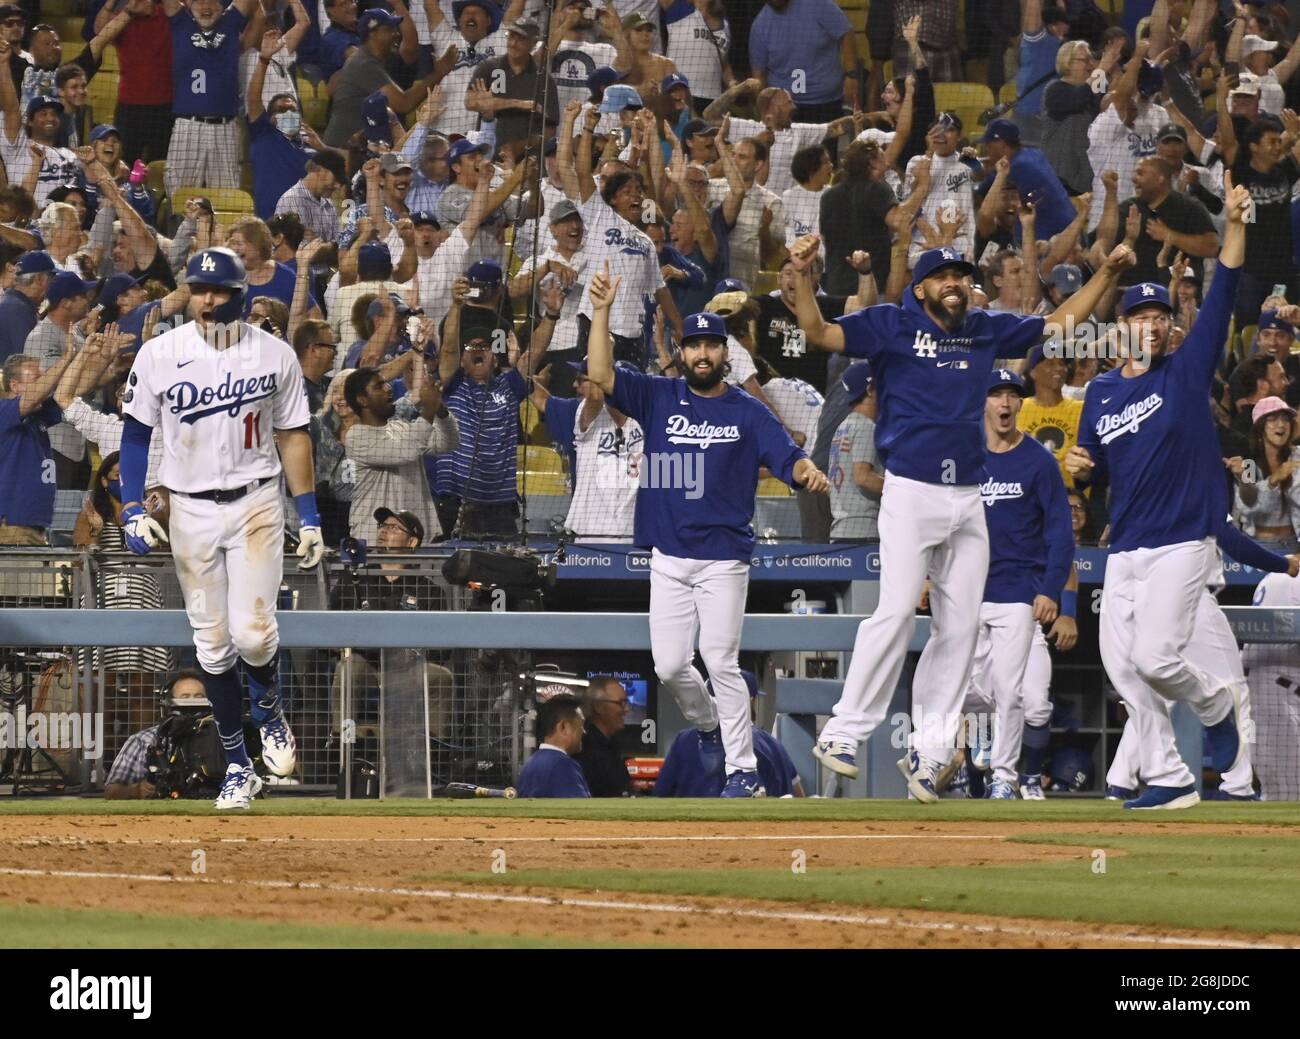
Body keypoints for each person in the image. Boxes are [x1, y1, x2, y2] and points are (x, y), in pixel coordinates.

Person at [788, 235, 1126, 799]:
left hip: (968, 495)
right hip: (912, 492)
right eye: (942, 275)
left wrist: (1104, 272)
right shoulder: (890, 324)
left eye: (961, 276)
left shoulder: (984, 327)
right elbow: (820, 333)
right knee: (895, 612)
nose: (954, 283)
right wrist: (799, 276)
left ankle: (931, 750)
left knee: (960, 630)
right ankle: (844, 732)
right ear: (920, 287)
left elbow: (1060, 324)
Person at [586, 262, 829, 796]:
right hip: (670, 556)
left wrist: (805, 470)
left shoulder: (746, 410)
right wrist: (600, 312)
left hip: (723, 555)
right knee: (670, 665)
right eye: (693, 345)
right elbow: (601, 377)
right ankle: (708, 725)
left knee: (721, 660)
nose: (701, 354)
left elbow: (787, 456)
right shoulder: (659, 395)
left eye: (711, 346)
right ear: (683, 350)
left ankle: (743, 773)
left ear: (724, 353)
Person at [1064, 175, 1253, 811]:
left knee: (1156, 657)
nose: (1150, 323)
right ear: (1119, 328)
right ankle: (1169, 777)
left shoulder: (1187, 367)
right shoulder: (1101, 393)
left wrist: (1234, 224)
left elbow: (1224, 289)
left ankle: (1214, 703)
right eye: (1139, 315)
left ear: (1172, 329)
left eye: (1160, 316)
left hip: (1182, 541)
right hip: (1125, 546)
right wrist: (1078, 465)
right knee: (1125, 672)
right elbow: (1093, 470)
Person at [119, 246, 325, 811]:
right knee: (211, 647)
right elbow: (135, 435)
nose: (207, 301)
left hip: (256, 500)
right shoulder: (161, 353)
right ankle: (238, 763)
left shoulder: (275, 355)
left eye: (219, 291)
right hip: (188, 507)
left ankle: (269, 711)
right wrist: (132, 506)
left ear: (240, 293)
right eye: (199, 290)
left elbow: (293, 435)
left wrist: (307, 514)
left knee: (254, 634)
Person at [965, 369, 1072, 800]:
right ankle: (958, 758)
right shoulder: (963, 456)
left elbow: (1060, 533)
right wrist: (932, 577)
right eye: (997, 395)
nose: (1006, 404)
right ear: (983, 403)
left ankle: (1005, 777)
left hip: (1017, 593)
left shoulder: (1040, 461)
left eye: (1013, 396)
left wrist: (1051, 591)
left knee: (1011, 691)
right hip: (967, 591)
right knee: (966, 693)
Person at [434, 276, 557, 538]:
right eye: (469, 346)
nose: (477, 349)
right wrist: (456, 306)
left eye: (484, 346)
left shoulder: (508, 386)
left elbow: (533, 354)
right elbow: (446, 351)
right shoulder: (453, 386)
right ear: (462, 360)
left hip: (499, 506)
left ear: (494, 356)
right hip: (456, 501)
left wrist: (552, 314)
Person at [328, 506, 455, 737]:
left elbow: (441, 645)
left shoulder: (428, 590)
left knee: (441, 677)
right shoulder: (355, 579)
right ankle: (342, 739)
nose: (384, 531)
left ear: (412, 542)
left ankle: (436, 748)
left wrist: (417, 653)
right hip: (367, 667)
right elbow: (331, 624)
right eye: (383, 526)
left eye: (394, 527)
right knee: (347, 667)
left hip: (409, 671)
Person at [341, 351, 460, 546]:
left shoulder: (401, 427)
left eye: (386, 383)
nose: (388, 388)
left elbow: (448, 443)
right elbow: (406, 452)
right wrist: (428, 409)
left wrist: (440, 409)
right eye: (379, 386)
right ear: (362, 400)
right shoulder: (356, 436)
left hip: (415, 537)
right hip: (375, 539)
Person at [533, 358, 643, 542]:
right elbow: (541, 400)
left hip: (634, 531)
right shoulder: (581, 411)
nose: (575, 384)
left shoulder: (649, 416)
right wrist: (536, 382)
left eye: (582, 379)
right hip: (590, 533)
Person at [0, 346, 96, 545]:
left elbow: (75, 389)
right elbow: (34, 397)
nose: (46, 383)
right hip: (11, 529)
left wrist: (98, 356)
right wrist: (67, 356)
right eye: (38, 379)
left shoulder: (37, 416)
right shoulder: (4, 411)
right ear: (15, 385)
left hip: (32, 528)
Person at [323, 7, 458, 148]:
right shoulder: (364, 63)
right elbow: (404, 104)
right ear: (372, 35)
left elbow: (411, 47)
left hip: (357, 145)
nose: (396, 34)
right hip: (342, 150)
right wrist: (439, 73)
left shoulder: (375, 59)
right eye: (388, 30)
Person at [655, 669, 803, 797]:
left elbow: (661, 793)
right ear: (750, 699)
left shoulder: (684, 740)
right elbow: (797, 795)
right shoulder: (771, 744)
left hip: (690, 826)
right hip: (754, 826)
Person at [160, 0, 255, 196]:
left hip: (225, 128)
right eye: (199, 2)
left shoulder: (230, 22)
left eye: (212, 2)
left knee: (227, 196)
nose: (206, 7)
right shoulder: (181, 22)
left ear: (223, 7)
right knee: (178, 195)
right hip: (188, 125)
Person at [23, 270, 101, 487]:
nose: (88, 300)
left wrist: (109, 361)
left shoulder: (75, 334)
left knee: (77, 511)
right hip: (54, 441)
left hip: (78, 439)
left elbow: (88, 386)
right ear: (66, 302)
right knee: (56, 512)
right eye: (82, 296)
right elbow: (61, 388)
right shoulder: (41, 337)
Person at [103, 670, 210, 799]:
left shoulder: (221, 740)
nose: (191, 703)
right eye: (184, 698)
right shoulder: (143, 740)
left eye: (198, 697)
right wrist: (137, 790)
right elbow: (111, 791)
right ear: (169, 703)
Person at [748, 0, 856, 125]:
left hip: (825, 104)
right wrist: (765, 111)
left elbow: (846, 33)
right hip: (784, 110)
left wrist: (851, 75)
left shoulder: (819, 4)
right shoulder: (759, 26)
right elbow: (758, 76)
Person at [978, 118, 1077, 244]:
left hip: (1052, 237)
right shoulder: (1034, 154)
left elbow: (981, 193)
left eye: (988, 145)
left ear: (1002, 144)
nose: (987, 150)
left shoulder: (1017, 166)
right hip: (1071, 228)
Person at [466, 18, 558, 149]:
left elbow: (550, 130)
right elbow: (469, 102)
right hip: (487, 151)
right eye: (511, 36)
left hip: (527, 158)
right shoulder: (489, 67)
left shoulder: (544, 79)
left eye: (520, 39)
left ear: (533, 43)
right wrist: (520, 104)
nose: (513, 43)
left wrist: (519, 147)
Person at [0, 59, 81, 209]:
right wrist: (3, 63)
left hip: (60, 225)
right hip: (22, 222)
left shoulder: (69, 155)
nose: (50, 118)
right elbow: (11, 109)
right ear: (30, 121)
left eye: (54, 114)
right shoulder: (19, 147)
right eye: (43, 114)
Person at [1233, 396, 1300, 552]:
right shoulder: (1248, 464)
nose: (1281, 424)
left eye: (1286, 419)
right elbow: (1248, 509)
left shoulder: (1297, 458)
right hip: (1256, 546)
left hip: (1293, 545)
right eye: (1272, 419)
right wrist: (1273, 481)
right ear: (1260, 428)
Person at [827, 361, 880, 542]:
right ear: (870, 388)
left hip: (841, 531)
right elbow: (863, 478)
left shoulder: (842, 427)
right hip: (863, 533)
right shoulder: (866, 427)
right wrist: (899, 487)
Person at [1018, 342, 1084, 487]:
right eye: (1050, 363)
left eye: (1061, 363)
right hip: (1027, 495)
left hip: (1071, 499)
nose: (1059, 368)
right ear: (1033, 372)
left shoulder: (1081, 409)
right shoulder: (1018, 409)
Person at [516, 694, 591, 797]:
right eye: (581, 725)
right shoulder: (563, 766)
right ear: (563, 727)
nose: (584, 731)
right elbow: (580, 811)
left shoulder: (530, 763)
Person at [574, 676, 632, 796]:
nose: (627, 709)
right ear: (598, 707)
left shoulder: (612, 745)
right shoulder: (583, 748)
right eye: (621, 703)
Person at [273, 149, 347, 242]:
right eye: (335, 178)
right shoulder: (291, 200)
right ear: (319, 170)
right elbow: (291, 250)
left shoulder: (329, 205)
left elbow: (337, 245)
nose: (338, 185)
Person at [0, 249, 54, 364]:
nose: (52, 284)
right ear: (39, 279)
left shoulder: (9, 302)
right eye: (51, 278)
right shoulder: (20, 310)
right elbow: (28, 362)